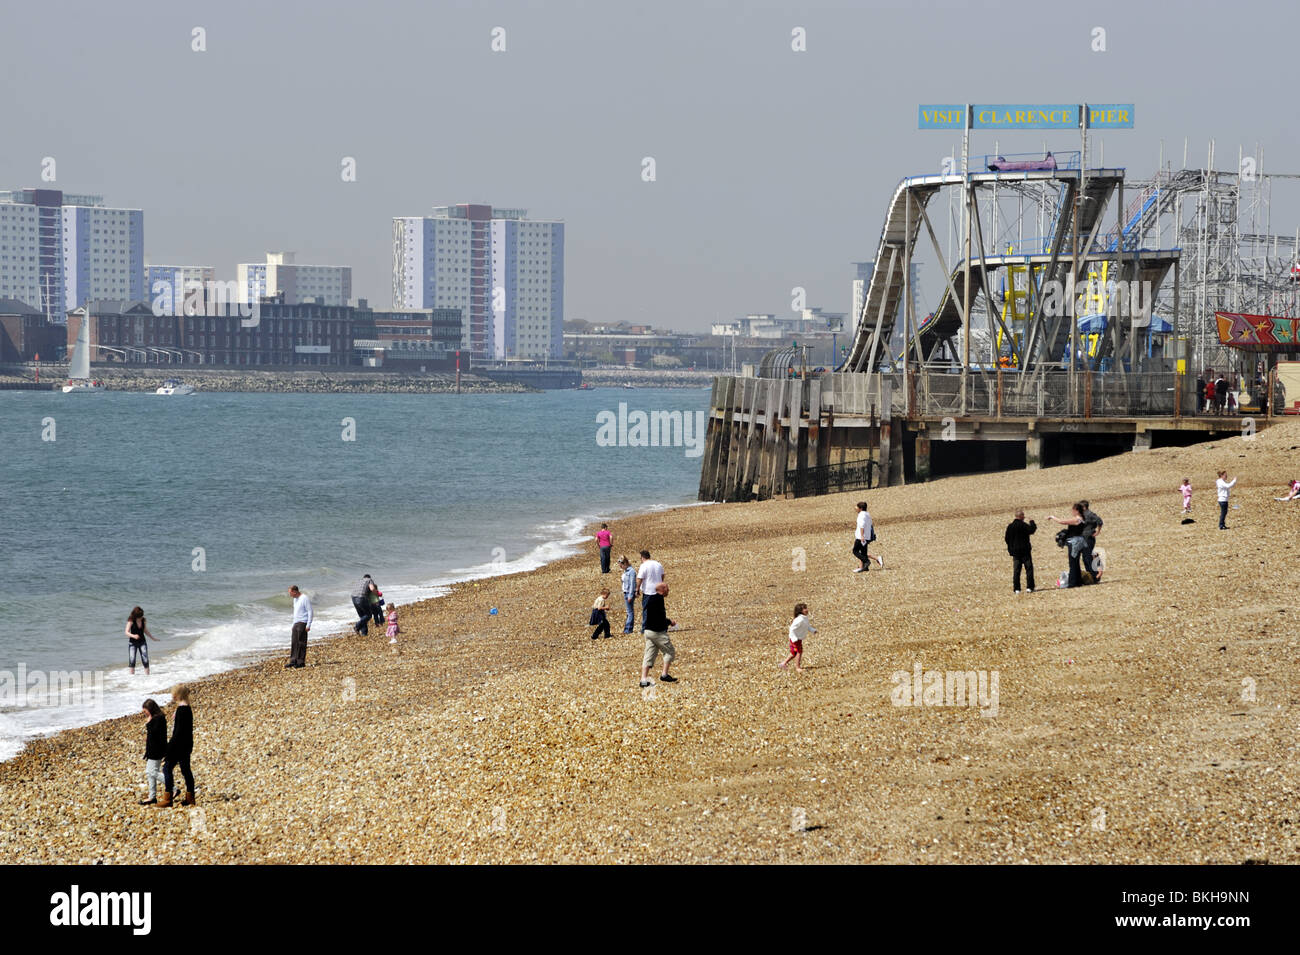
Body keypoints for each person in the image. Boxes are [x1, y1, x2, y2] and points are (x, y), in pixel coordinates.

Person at [159, 684, 195, 808]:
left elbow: (178, 732)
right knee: (186, 770)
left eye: (172, 694)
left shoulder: (181, 710)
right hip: (186, 745)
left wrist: (169, 747)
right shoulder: (187, 708)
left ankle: (168, 798)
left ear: (177, 695)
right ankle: (190, 797)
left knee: (167, 769)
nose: (172, 696)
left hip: (178, 746)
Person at [639, 582, 677, 687]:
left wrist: (668, 621)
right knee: (670, 651)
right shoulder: (659, 600)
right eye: (667, 589)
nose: (668, 591)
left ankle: (643, 679)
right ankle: (664, 674)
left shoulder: (651, 599)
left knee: (649, 654)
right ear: (662, 589)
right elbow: (659, 617)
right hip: (657, 632)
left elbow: (654, 616)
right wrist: (669, 622)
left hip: (648, 631)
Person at [1048, 503, 1088, 588]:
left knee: (1073, 562)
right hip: (1080, 541)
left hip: (1074, 542)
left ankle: (1073, 583)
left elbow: (1062, 521)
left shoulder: (1077, 519)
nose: (1072, 512)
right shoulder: (1082, 518)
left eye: (1073, 510)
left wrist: (1052, 517)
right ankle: (1078, 581)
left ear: (1076, 510)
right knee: (1076, 562)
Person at [140, 699, 167, 806]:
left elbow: (155, 733)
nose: (144, 713)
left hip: (157, 750)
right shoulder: (157, 718)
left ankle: (173, 786)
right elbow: (153, 735)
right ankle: (152, 797)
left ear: (150, 709)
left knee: (151, 772)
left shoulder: (158, 719)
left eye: (145, 711)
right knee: (150, 773)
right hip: (153, 750)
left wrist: (148, 723)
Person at [1004, 509, 1036, 594]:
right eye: (1023, 515)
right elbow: (1032, 530)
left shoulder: (1010, 526)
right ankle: (1030, 587)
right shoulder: (1023, 525)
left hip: (1015, 552)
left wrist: (1011, 547)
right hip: (1025, 551)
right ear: (1021, 516)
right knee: (1029, 569)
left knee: (1016, 570)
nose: (1024, 517)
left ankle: (1016, 589)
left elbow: (1006, 538)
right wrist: (1032, 521)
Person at [781, 603, 816, 672]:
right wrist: (794, 638)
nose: (807, 610)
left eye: (806, 608)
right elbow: (792, 629)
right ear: (800, 611)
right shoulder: (799, 619)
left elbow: (807, 626)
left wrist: (813, 630)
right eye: (804, 609)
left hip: (798, 638)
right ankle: (797, 667)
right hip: (795, 639)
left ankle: (783, 663)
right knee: (799, 651)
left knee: (794, 653)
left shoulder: (804, 619)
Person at [635, 550, 665, 632]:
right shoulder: (658, 564)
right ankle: (662, 627)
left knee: (646, 610)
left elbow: (639, 578)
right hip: (659, 591)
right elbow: (662, 575)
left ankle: (645, 628)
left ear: (642, 557)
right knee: (660, 610)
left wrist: (637, 589)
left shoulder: (644, 565)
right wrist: (660, 583)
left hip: (648, 591)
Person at [125, 607, 158, 676]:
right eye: (139, 616)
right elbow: (126, 632)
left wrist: (152, 638)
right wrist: (133, 636)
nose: (141, 617)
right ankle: (131, 677)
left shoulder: (143, 620)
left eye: (141, 615)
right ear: (135, 616)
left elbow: (145, 630)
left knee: (145, 659)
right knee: (132, 660)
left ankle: (147, 676)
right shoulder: (131, 621)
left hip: (142, 642)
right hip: (132, 643)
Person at [852, 501, 883, 573]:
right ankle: (864, 568)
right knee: (863, 552)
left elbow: (861, 525)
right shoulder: (867, 514)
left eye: (857, 507)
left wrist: (862, 536)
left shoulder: (861, 515)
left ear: (861, 508)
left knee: (855, 551)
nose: (855, 508)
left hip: (861, 537)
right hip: (867, 536)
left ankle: (866, 561)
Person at [286, 585, 312, 668]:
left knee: (301, 642)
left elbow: (310, 611)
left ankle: (300, 662)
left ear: (295, 591)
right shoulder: (295, 599)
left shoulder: (304, 598)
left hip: (303, 622)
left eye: (290, 593)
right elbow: (296, 612)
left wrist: (308, 624)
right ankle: (293, 660)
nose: (290, 595)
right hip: (296, 623)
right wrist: (293, 624)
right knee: (294, 642)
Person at [619, 556, 637, 633]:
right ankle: (627, 628)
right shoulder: (625, 571)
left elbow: (632, 584)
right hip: (625, 592)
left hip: (629, 593)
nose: (621, 567)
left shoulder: (631, 571)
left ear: (625, 563)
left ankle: (628, 629)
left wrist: (630, 595)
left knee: (630, 612)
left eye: (621, 565)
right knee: (628, 611)